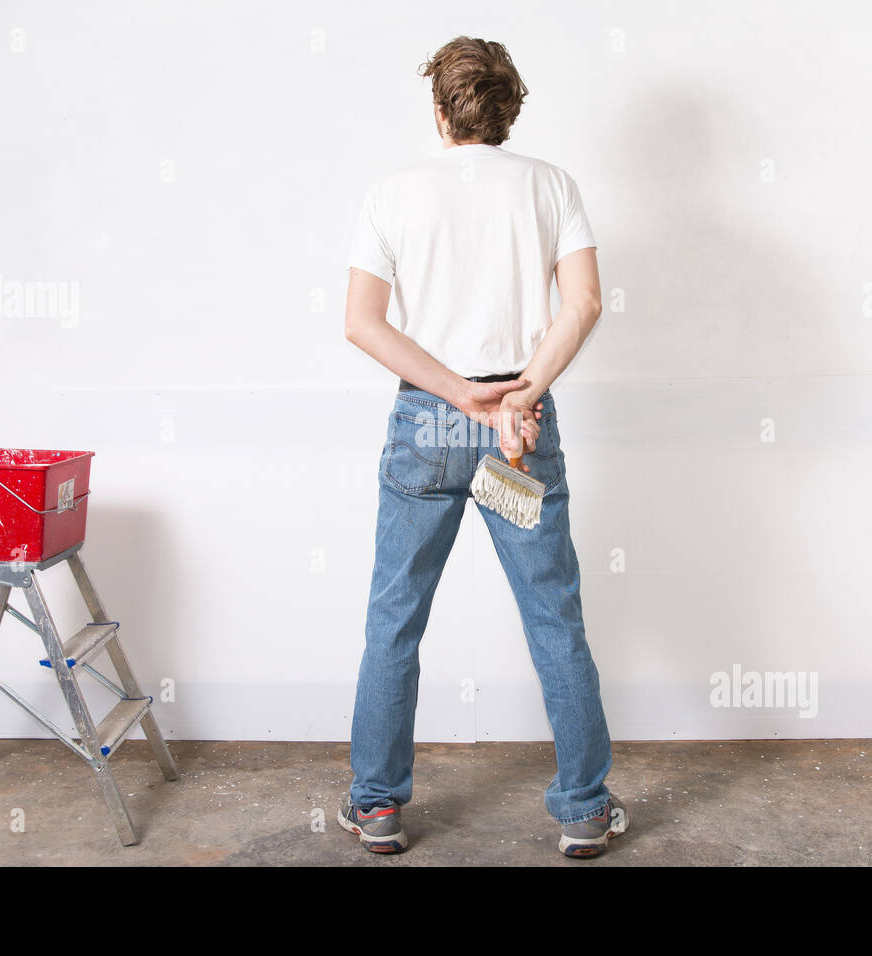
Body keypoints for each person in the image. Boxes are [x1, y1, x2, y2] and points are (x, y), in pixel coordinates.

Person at [338, 35, 626, 858]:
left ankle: (379, 807)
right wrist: (522, 392)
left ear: (440, 111)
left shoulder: (392, 192)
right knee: (554, 620)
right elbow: (586, 303)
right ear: (509, 110)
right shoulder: (550, 186)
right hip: (517, 437)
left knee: (394, 620)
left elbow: (361, 322)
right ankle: (582, 811)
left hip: (429, 424)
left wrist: (457, 392)